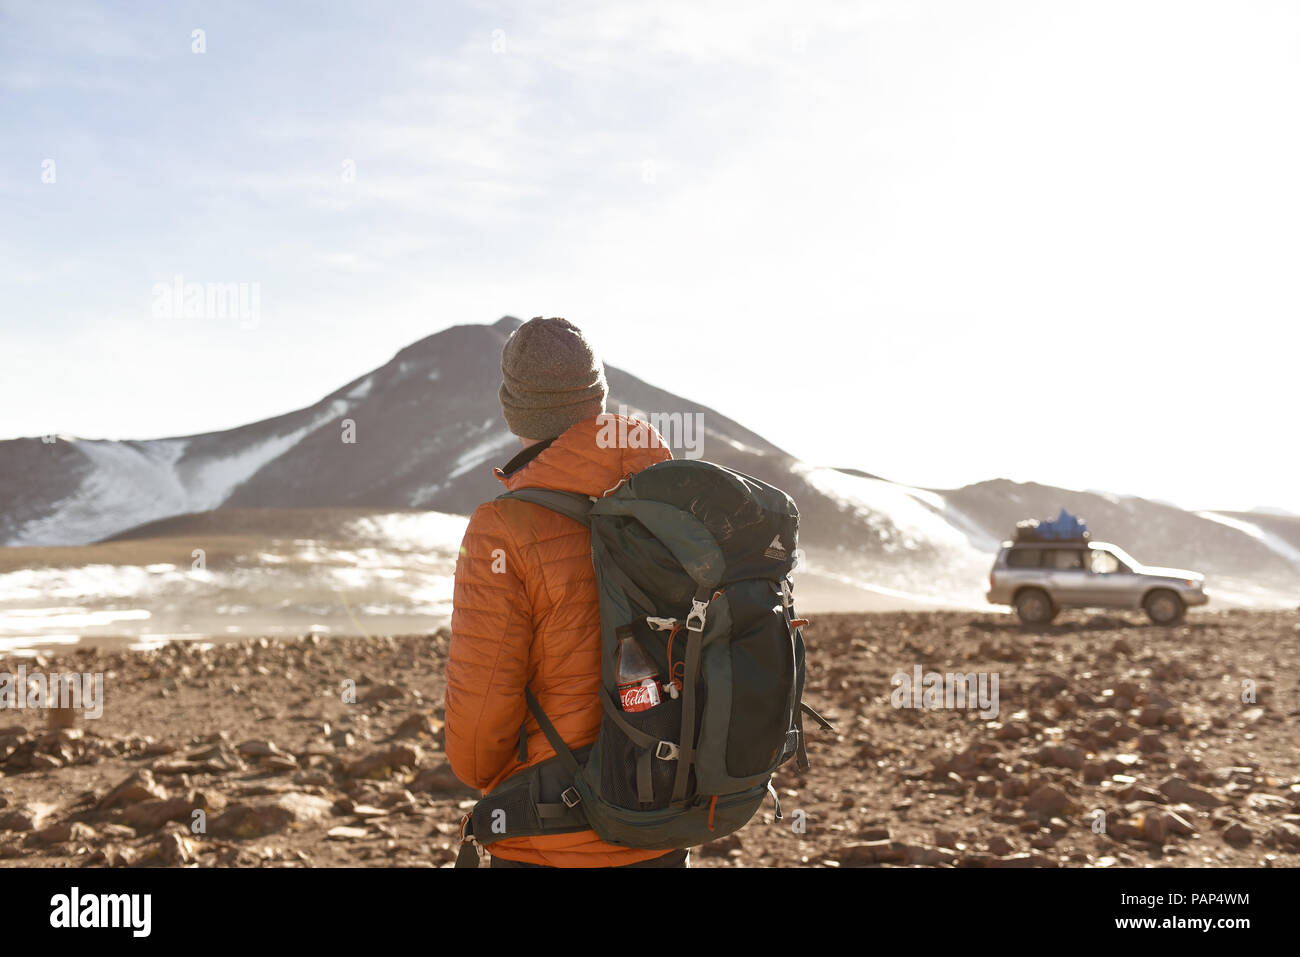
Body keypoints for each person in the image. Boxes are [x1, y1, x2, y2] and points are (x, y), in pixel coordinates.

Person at [444, 316, 687, 867]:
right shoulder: (675, 507)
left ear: (515, 410)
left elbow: (479, 739)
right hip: (665, 819)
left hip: (551, 834)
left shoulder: (502, 528)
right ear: (597, 399)